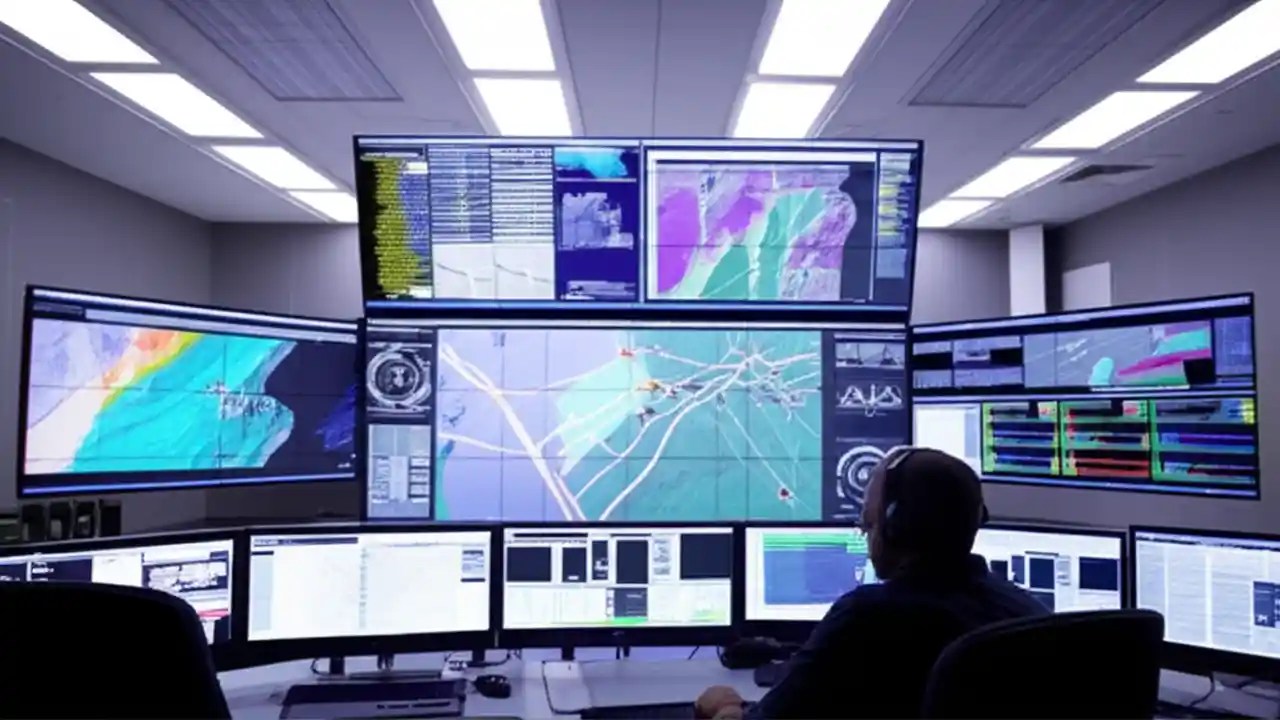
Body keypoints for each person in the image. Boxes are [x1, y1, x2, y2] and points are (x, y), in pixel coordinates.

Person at [696, 448, 1048, 719]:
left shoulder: (865, 617)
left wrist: (724, 706)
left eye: (868, 523)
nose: (867, 535)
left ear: (896, 526)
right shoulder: (1026, 611)